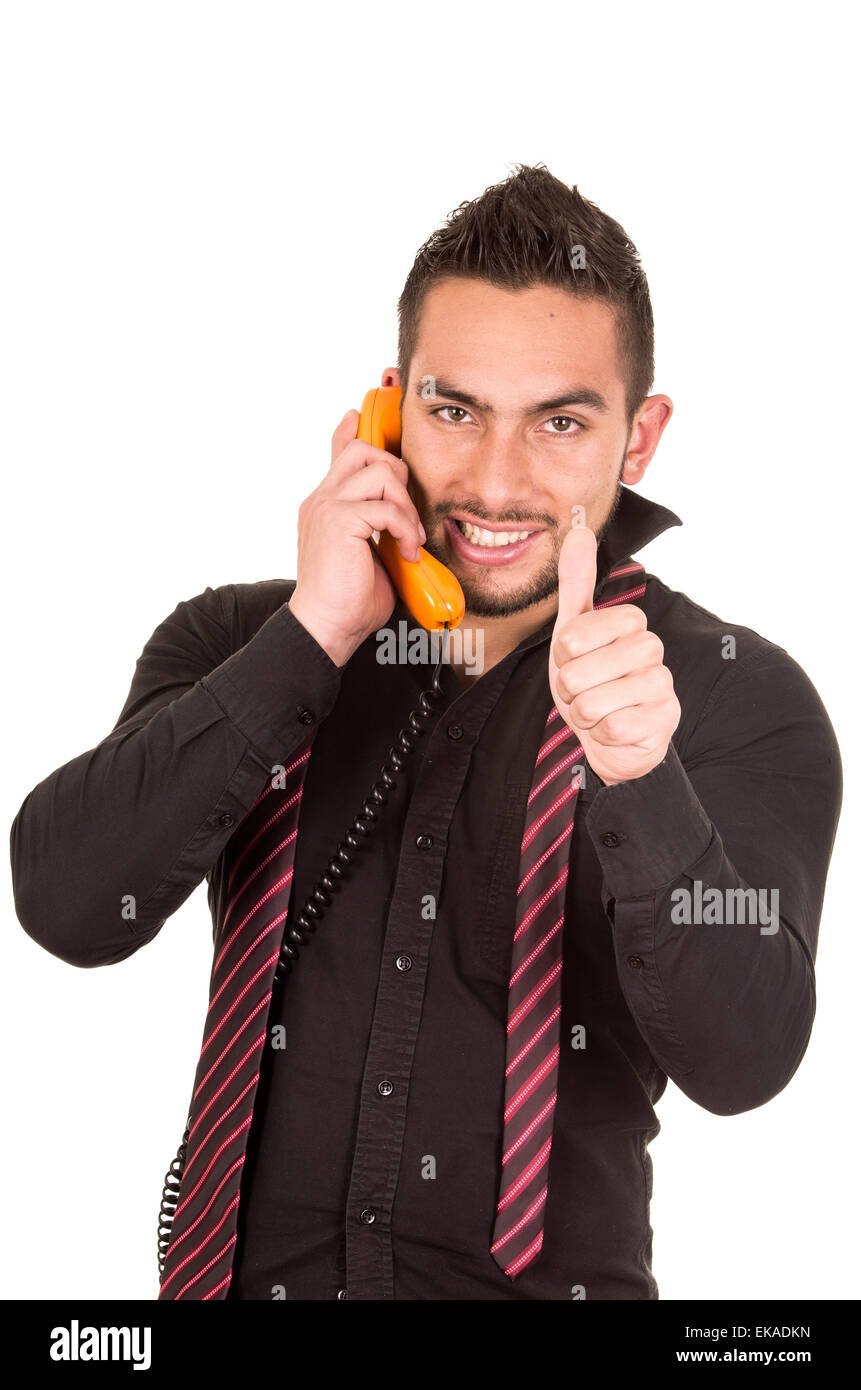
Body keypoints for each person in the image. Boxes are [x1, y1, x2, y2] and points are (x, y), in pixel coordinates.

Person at [9, 164, 842, 1300]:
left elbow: (745, 1060)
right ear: (389, 410)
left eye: (559, 421)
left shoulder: (735, 698)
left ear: (639, 438)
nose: (496, 484)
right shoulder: (237, 639)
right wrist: (310, 639)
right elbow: (67, 905)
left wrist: (643, 780)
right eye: (456, 411)